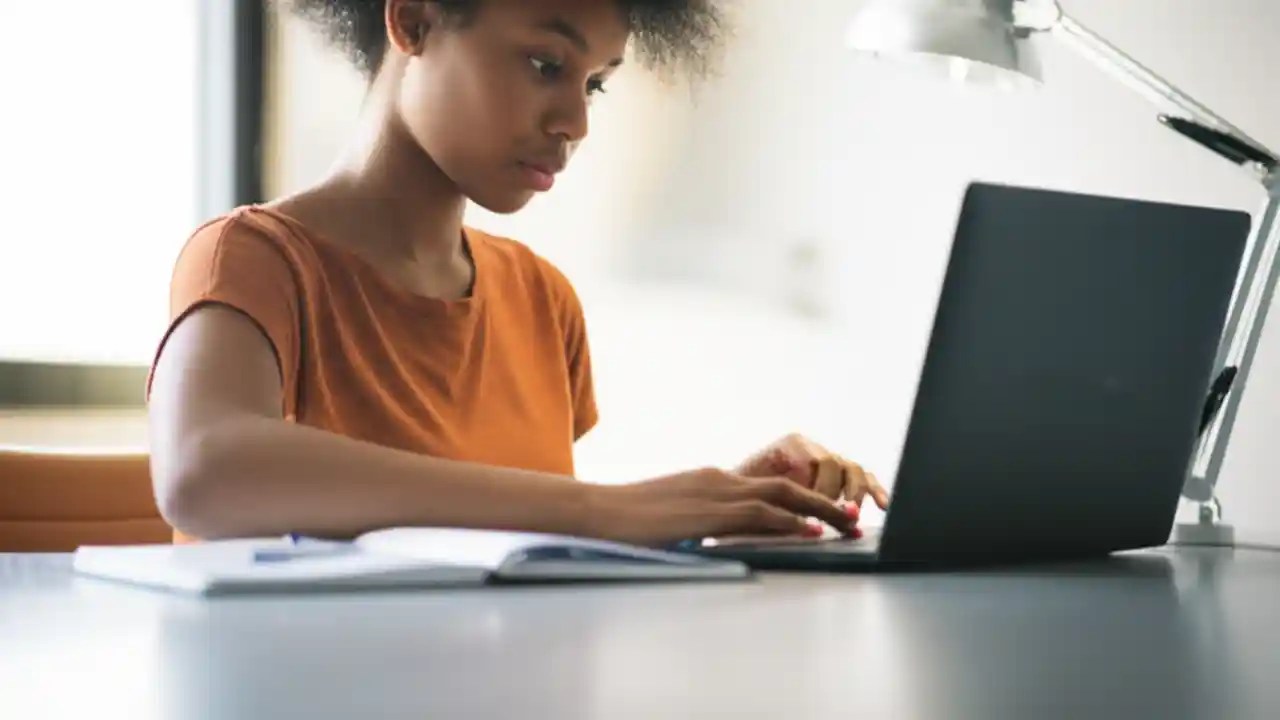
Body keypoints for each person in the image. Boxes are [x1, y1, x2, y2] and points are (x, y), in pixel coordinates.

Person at [147, 0, 890, 546]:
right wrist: (612, 508)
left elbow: (521, 552)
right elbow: (201, 474)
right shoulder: (255, 259)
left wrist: (726, 509)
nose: (576, 121)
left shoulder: (541, 298)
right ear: (413, 20)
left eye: (594, 83)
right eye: (546, 65)